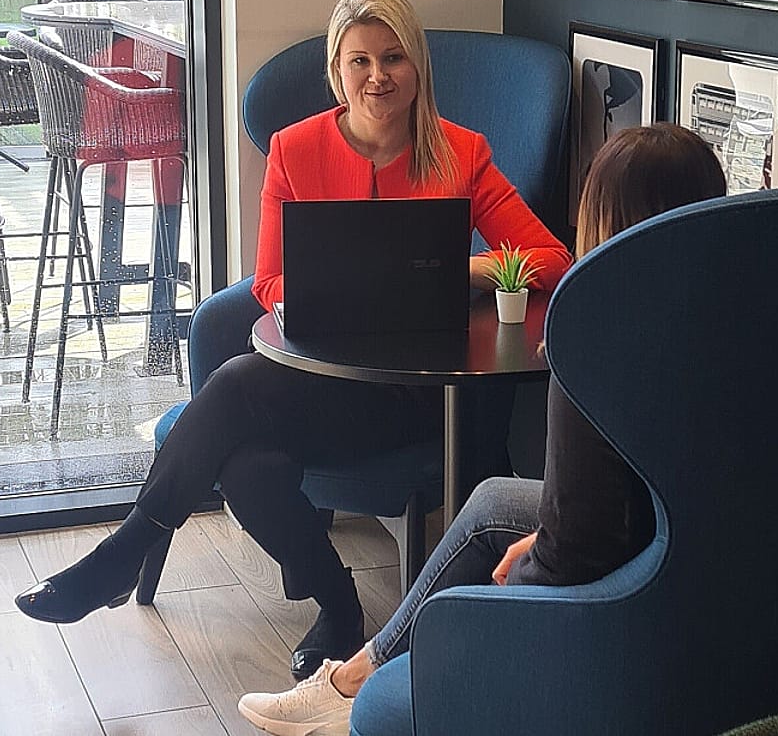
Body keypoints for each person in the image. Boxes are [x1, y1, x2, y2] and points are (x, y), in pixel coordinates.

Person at [13, 0, 573, 683]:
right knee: (246, 462)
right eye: (360, 60)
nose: (377, 76)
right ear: (336, 70)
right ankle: (340, 605)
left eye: (394, 57)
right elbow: (269, 281)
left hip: (420, 392)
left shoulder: (460, 152)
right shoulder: (296, 148)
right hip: (322, 382)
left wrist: (462, 271)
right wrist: (330, 294)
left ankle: (121, 557)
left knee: (234, 390)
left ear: (417, 65)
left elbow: (551, 258)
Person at [235, 122, 729, 736]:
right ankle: (359, 670)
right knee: (494, 498)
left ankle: (358, 682)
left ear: (606, 218)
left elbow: (580, 547)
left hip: (638, 573)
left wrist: (524, 569)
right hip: (693, 545)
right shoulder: (732, 317)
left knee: (239, 397)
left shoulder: (594, 341)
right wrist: (548, 531)